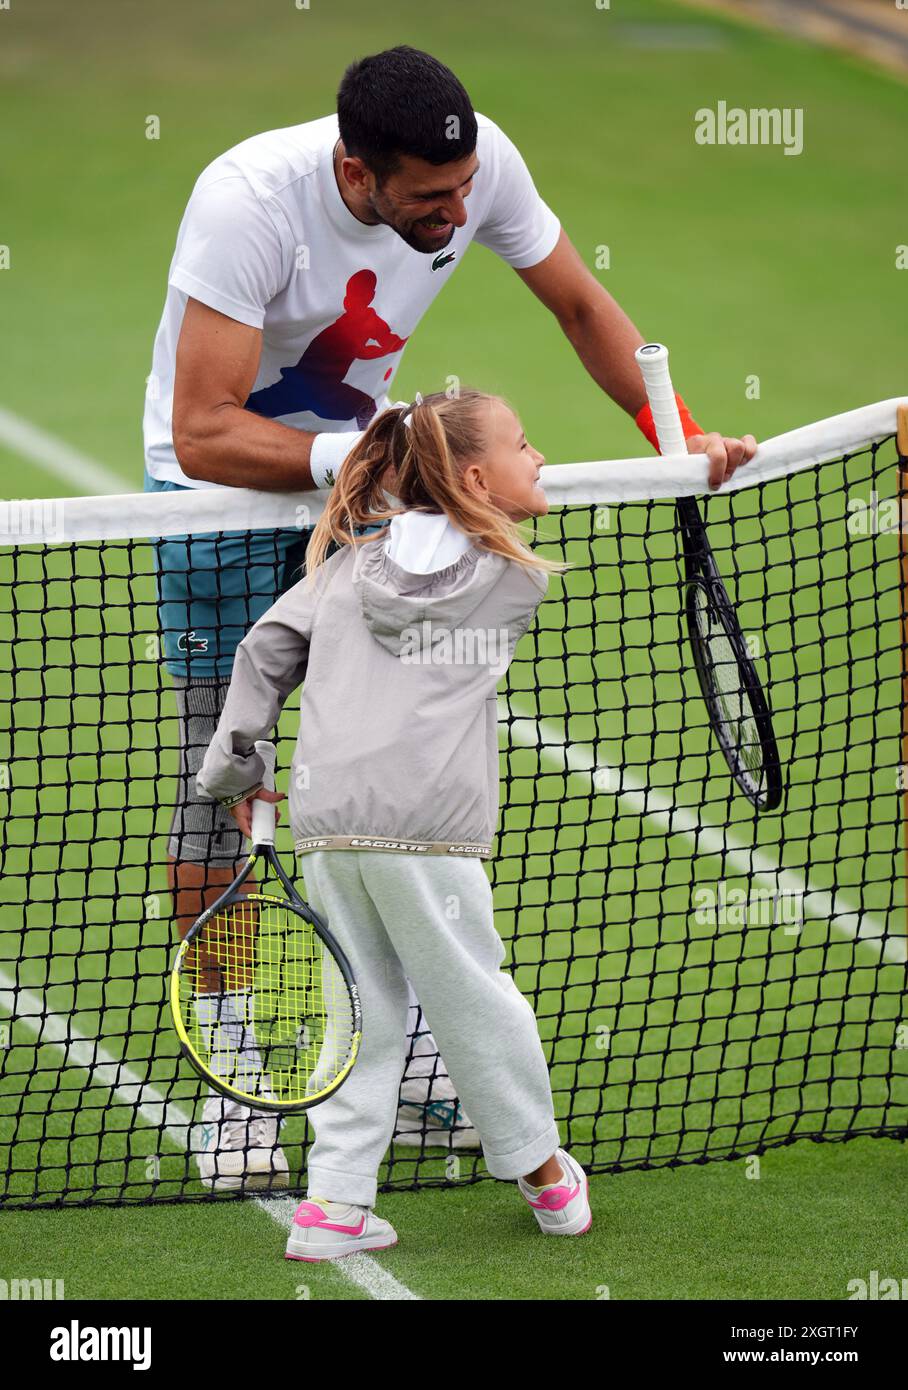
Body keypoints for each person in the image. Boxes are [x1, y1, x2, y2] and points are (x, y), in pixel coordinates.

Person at [143, 43, 756, 1185]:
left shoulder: (476, 167)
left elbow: (578, 302)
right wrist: (373, 456)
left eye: (463, 191)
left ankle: (415, 1053)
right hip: (220, 498)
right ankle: (235, 1080)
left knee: (387, 779)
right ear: (357, 173)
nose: (456, 213)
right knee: (216, 792)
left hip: (361, 494)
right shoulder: (246, 204)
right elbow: (200, 428)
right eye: (430, 201)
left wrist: (669, 434)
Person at [194, 390, 594, 1258]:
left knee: (363, 1011)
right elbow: (445, 579)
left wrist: (235, 768)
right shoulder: (514, 579)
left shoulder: (338, 572)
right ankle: (543, 1175)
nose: (542, 459)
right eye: (525, 445)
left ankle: (334, 1206)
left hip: (328, 822)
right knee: (473, 1001)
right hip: (428, 834)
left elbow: (262, 652)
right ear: (477, 478)